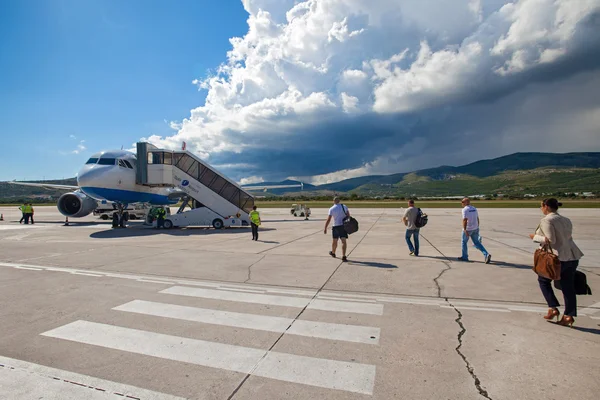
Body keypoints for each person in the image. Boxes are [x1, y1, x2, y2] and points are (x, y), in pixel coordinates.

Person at [529, 198, 584, 327]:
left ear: (546, 206)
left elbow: (551, 240)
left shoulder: (547, 220)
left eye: (541, 206)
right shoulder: (566, 220)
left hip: (557, 258)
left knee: (543, 281)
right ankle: (568, 315)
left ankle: (553, 308)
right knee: (568, 287)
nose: (541, 209)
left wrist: (535, 237)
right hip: (572, 256)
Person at [458, 197, 491, 263]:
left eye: (462, 202)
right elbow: (477, 218)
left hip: (468, 229)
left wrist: (465, 229)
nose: (461, 203)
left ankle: (465, 257)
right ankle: (486, 254)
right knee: (477, 243)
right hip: (475, 228)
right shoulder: (474, 208)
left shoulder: (465, 209)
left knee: (464, 242)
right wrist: (477, 227)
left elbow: (465, 220)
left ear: (466, 202)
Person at [324, 197, 349, 262]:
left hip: (336, 226)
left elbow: (329, 219)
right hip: (343, 226)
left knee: (335, 241)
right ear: (339, 201)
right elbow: (348, 215)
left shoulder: (331, 209)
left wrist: (325, 227)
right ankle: (344, 256)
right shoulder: (344, 206)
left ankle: (333, 252)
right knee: (343, 241)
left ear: (333, 201)